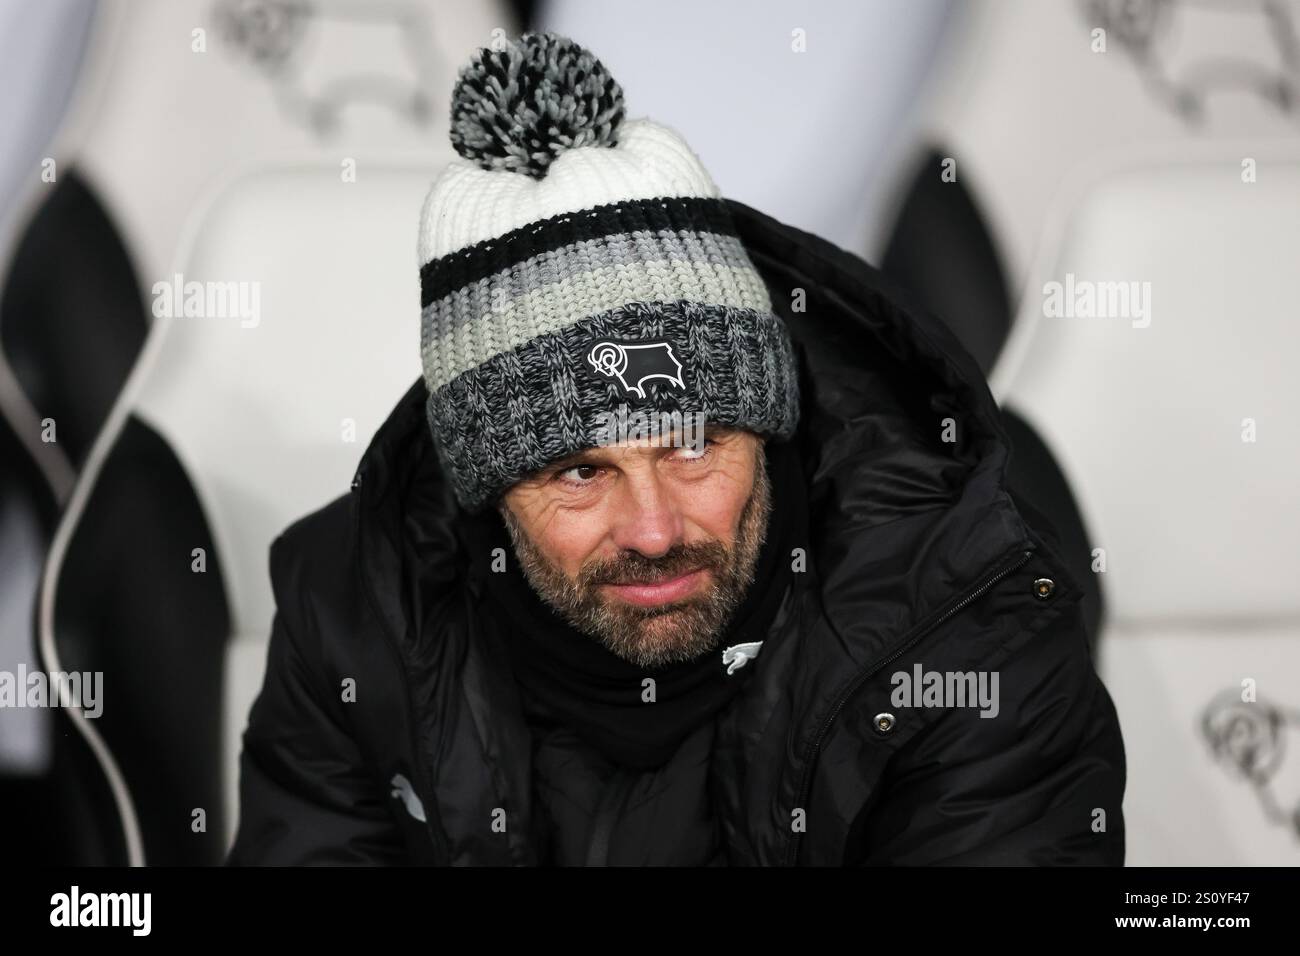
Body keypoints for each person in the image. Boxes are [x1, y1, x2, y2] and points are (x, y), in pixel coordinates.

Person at [226, 31, 1125, 866]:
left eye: (694, 450)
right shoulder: (357, 613)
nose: (654, 531)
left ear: (767, 427)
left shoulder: (963, 628)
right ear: (486, 488)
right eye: (581, 472)